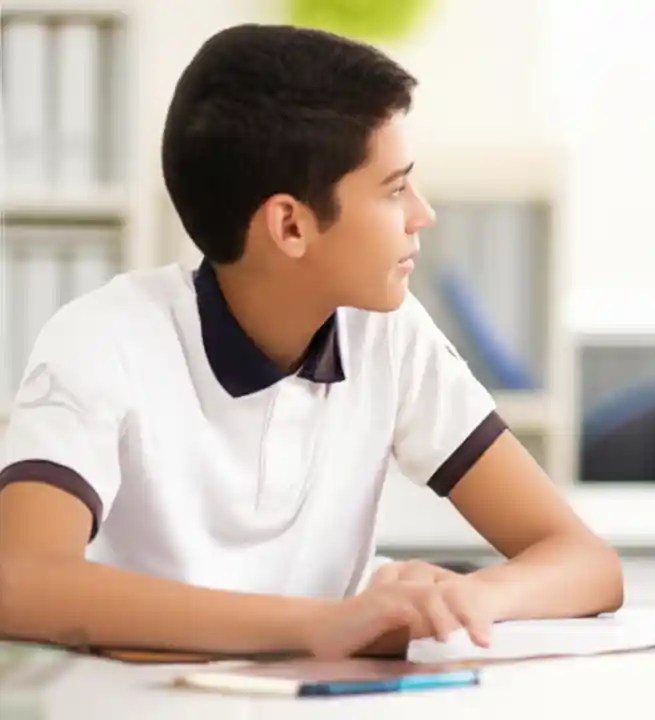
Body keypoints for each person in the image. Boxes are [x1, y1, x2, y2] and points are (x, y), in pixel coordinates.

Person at [0, 24, 622, 658]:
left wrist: (469, 599)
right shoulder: (103, 337)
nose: (422, 214)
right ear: (291, 225)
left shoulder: (387, 332)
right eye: (394, 188)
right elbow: (19, 582)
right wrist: (319, 624)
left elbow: (585, 562)